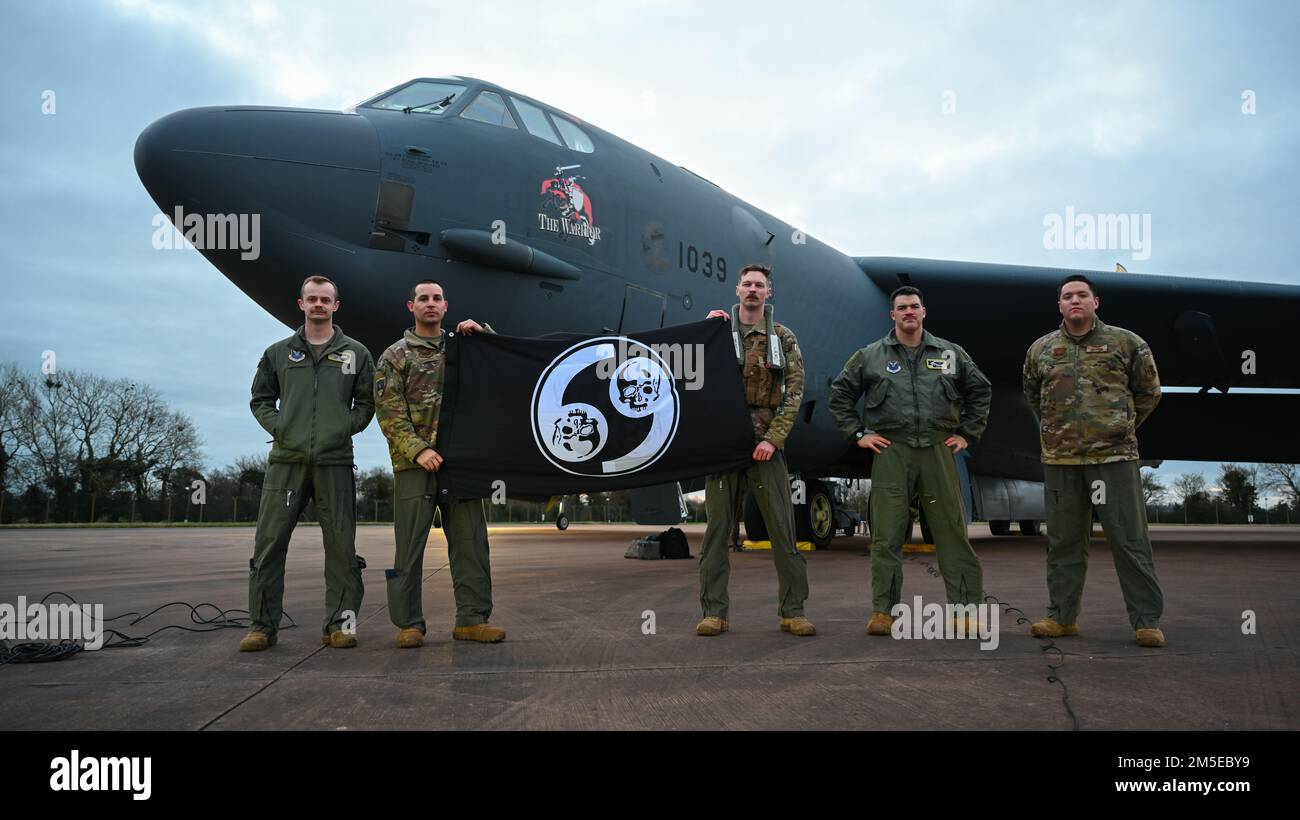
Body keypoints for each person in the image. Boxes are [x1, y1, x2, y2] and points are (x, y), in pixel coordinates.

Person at [828, 286, 991, 636]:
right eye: (902, 308)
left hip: (937, 449)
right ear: (893, 315)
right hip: (892, 450)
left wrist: (967, 434)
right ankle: (884, 611)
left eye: (914, 307)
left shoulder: (950, 353)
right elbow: (840, 395)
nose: (909, 313)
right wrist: (858, 434)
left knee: (951, 531)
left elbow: (980, 390)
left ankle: (965, 612)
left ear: (923, 312)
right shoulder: (870, 356)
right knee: (886, 534)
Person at [1022, 274, 1165, 647]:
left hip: (1113, 458)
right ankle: (1061, 617)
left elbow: (1149, 392)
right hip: (1061, 461)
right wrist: (1059, 432)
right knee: (1063, 543)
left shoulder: (1126, 343)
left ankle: (1146, 621)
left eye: (1082, 295)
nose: (1075, 301)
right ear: (1059, 305)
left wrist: (1119, 426)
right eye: (1067, 296)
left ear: (1095, 302)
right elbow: (1033, 396)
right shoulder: (1041, 349)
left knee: (1129, 539)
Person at [239, 275, 375, 651]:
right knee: (269, 546)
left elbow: (366, 405)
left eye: (325, 300)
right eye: (311, 299)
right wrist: (281, 428)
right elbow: (260, 399)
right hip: (286, 461)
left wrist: (343, 428)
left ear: (336, 306)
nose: (318, 305)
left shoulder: (357, 354)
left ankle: (340, 625)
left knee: (342, 549)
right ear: (301, 304)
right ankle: (262, 627)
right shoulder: (278, 353)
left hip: (335, 462)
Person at [374, 280, 504, 647]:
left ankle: (472, 619)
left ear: (446, 306)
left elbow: (500, 364)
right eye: (422, 299)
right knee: (410, 545)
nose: (429, 304)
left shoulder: (462, 347)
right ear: (410, 306)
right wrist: (418, 450)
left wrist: (484, 333)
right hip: (415, 465)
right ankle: (409, 624)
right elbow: (389, 412)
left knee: (471, 543)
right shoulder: (395, 356)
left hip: (460, 464)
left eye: (436, 299)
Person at [696, 263, 814, 637]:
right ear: (736, 290)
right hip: (723, 445)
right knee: (717, 532)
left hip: (765, 446)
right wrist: (703, 331)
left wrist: (772, 439)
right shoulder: (714, 332)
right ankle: (714, 613)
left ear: (768, 293)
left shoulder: (783, 338)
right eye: (746, 284)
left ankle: (792, 611)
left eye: (759, 285)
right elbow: (692, 380)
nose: (752, 290)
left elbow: (794, 394)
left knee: (782, 529)